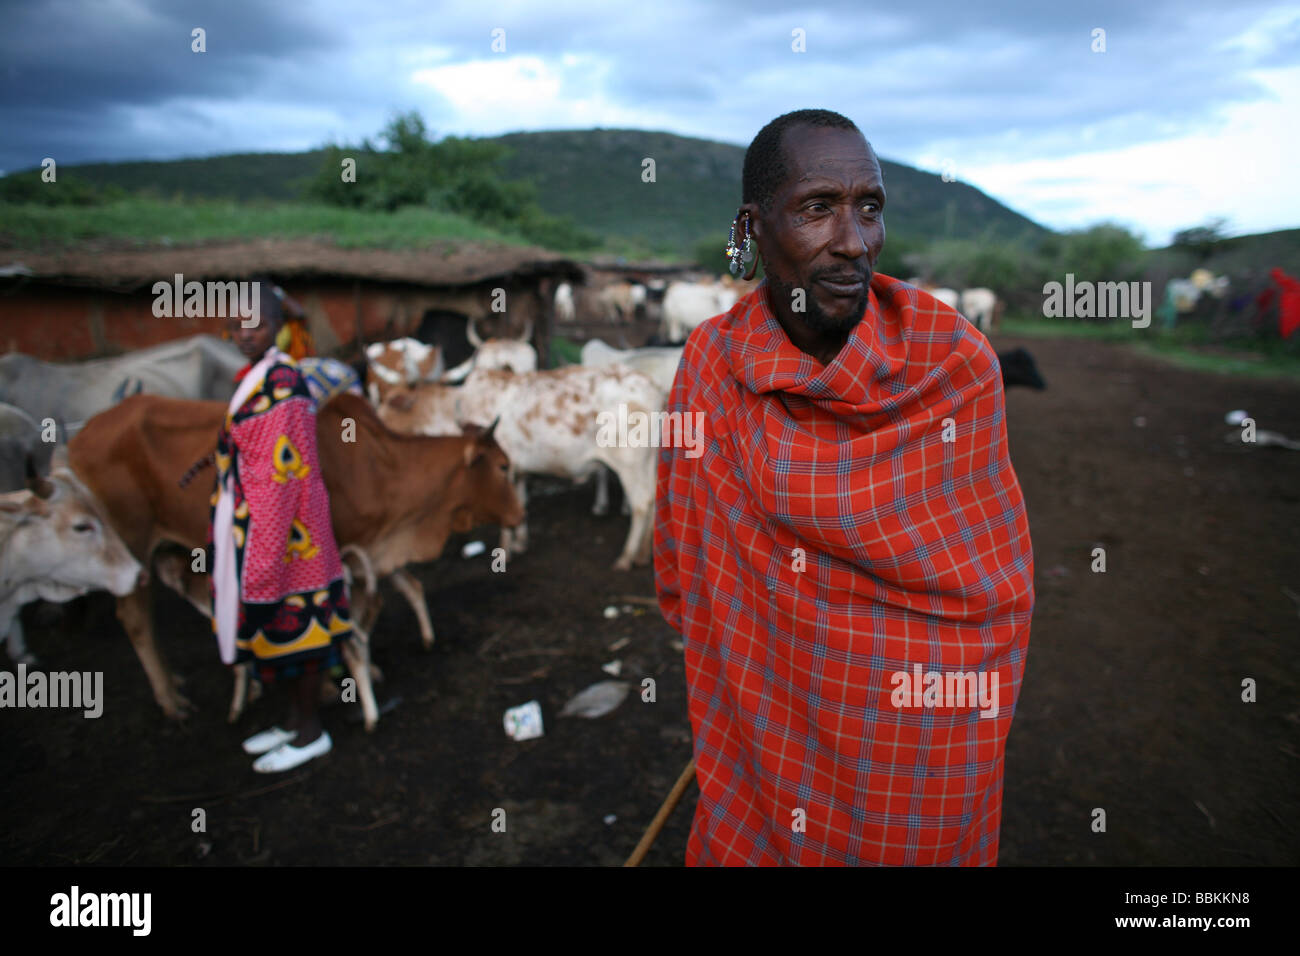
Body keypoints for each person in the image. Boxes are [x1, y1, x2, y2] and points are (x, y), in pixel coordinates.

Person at [654, 109, 1035, 865]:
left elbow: (991, 594)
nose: (854, 242)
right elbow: (684, 558)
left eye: (870, 207)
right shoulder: (710, 365)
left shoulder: (954, 364)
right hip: (762, 729)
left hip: (920, 751)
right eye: (818, 209)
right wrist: (745, 664)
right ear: (753, 228)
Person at [210, 284, 353, 773]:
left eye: (259, 324)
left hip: (290, 536)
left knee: (302, 635)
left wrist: (265, 563)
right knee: (278, 635)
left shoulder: (283, 382)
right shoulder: (257, 376)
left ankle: (312, 732)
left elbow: (279, 481)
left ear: (278, 327)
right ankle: (293, 723)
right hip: (266, 528)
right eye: (238, 324)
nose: (246, 332)